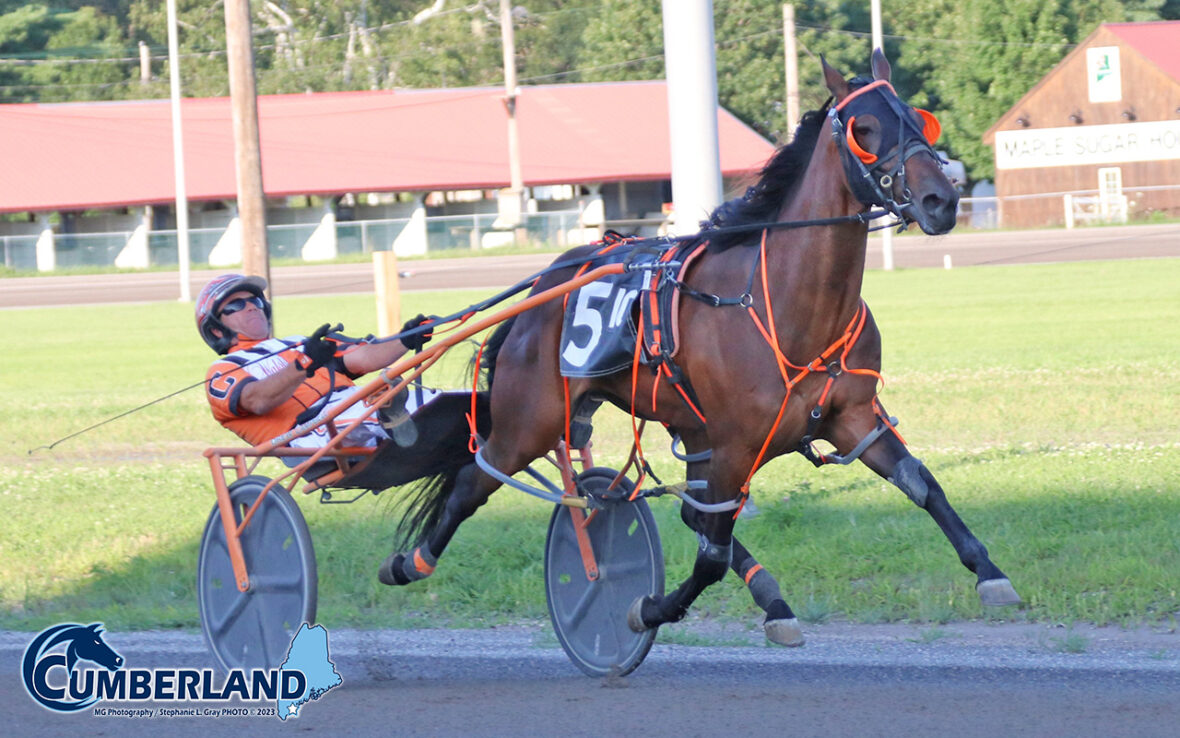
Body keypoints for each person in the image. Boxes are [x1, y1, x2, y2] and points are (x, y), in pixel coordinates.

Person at [196, 273, 434, 461]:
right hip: (308, 433)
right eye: (236, 305)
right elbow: (257, 400)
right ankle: (389, 416)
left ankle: (395, 415)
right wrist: (304, 364)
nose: (252, 307)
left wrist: (406, 338)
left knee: (445, 402)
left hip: (358, 403)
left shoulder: (295, 342)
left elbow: (364, 356)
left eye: (255, 300)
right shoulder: (222, 369)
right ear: (216, 329)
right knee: (369, 409)